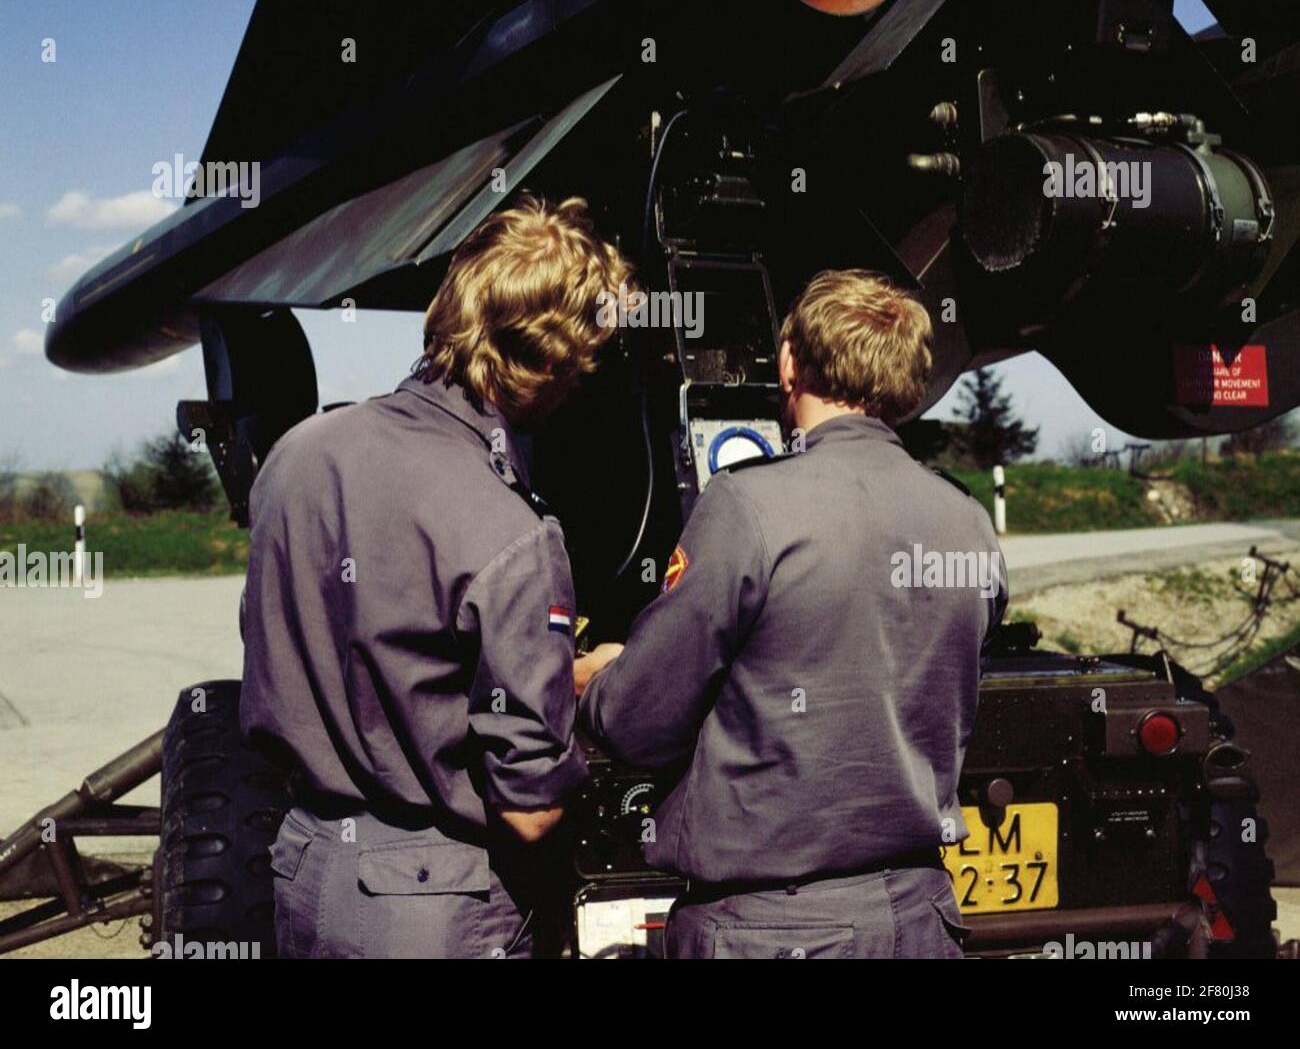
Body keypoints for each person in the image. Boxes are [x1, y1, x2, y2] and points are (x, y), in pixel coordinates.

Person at [240, 195, 632, 958]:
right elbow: (529, 811)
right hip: (433, 903)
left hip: (305, 868)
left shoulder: (298, 456)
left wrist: (562, 671)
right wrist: (603, 708)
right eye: (585, 364)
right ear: (552, 360)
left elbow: (356, 652)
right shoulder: (513, 533)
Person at [578, 268, 1007, 959]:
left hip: (773, 931)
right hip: (922, 917)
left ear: (788, 364)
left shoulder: (748, 506)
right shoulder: (968, 522)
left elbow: (640, 721)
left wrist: (601, 679)